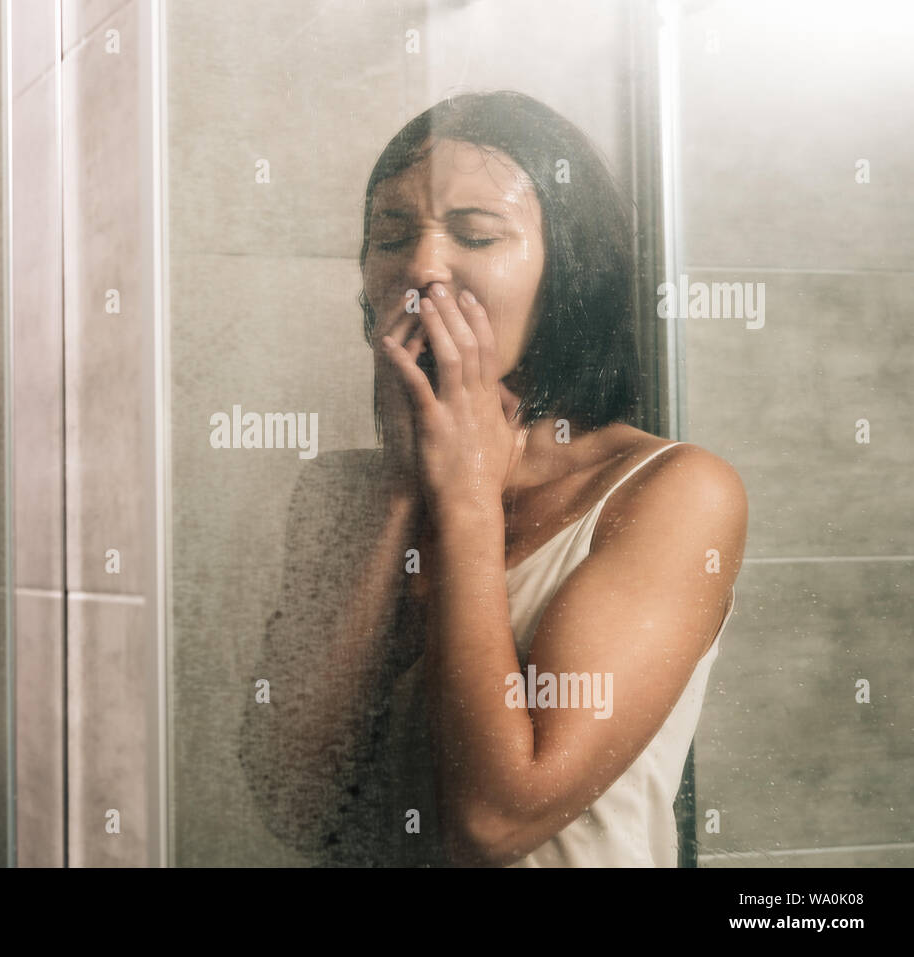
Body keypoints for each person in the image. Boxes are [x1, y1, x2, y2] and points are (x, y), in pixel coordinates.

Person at [238, 91, 747, 867]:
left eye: (475, 234)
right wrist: (405, 492)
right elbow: (293, 800)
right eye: (391, 235)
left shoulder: (675, 492)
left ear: (567, 272)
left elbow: (495, 821)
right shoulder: (335, 494)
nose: (422, 268)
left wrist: (468, 499)